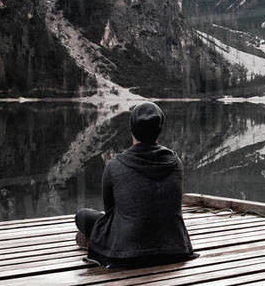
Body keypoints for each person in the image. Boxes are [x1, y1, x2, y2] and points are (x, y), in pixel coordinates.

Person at [75, 101, 197, 267]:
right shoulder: (175, 163)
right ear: (159, 129)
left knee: (82, 216)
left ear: (132, 128)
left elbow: (110, 211)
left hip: (127, 251)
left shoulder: (114, 165)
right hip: (174, 248)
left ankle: (92, 240)